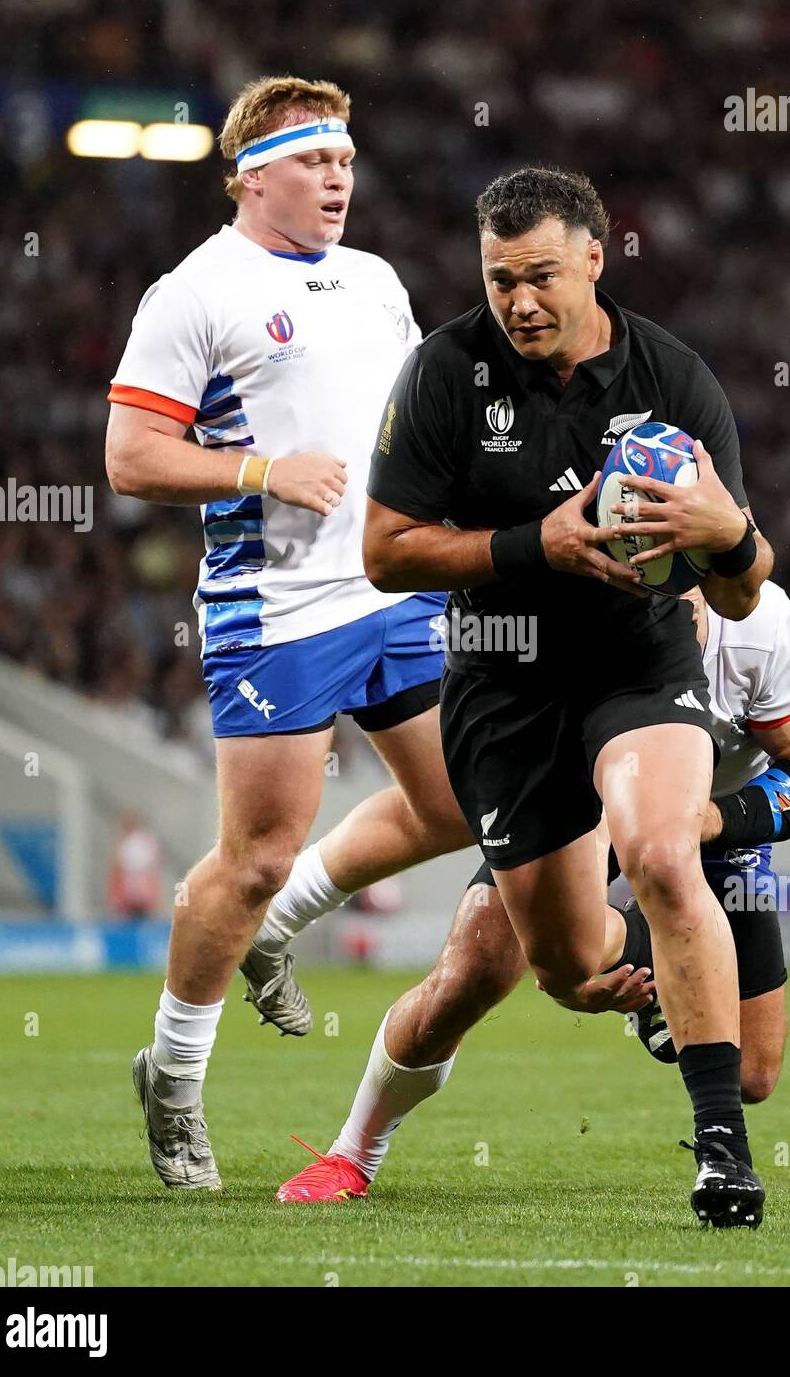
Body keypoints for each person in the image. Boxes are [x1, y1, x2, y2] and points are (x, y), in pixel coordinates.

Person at [357, 165, 774, 1226]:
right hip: (503, 690)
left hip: (638, 665)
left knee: (663, 849)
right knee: (562, 964)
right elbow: (384, 553)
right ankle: (632, 966)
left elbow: (733, 593)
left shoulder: (674, 382)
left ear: (595, 257)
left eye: (539, 275)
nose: (520, 302)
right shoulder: (444, 372)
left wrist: (722, 532)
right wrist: (529, 544)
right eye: (500, 281)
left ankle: (720, 1149)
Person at [105, 76, 473, 1192]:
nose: (338, 180)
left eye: (348, 162)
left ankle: (284, 923)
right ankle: (171, 1079)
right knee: (254, 854)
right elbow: (128, 458)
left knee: (460, 803)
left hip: (389, 587)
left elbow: (407, 422)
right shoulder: (194, 293)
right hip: (276, 611)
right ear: (252, 172)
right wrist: (261, 469)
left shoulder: (372, 281)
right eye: (317, 162)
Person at [274, 581, 790, 1215]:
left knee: (751, 1074)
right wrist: (565, 966)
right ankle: (351, 1153)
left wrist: (710, 820)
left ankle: (641, 957)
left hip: (718, 826)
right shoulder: (582, 614)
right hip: (582, 808)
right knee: (474, 967)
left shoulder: (762, 625)